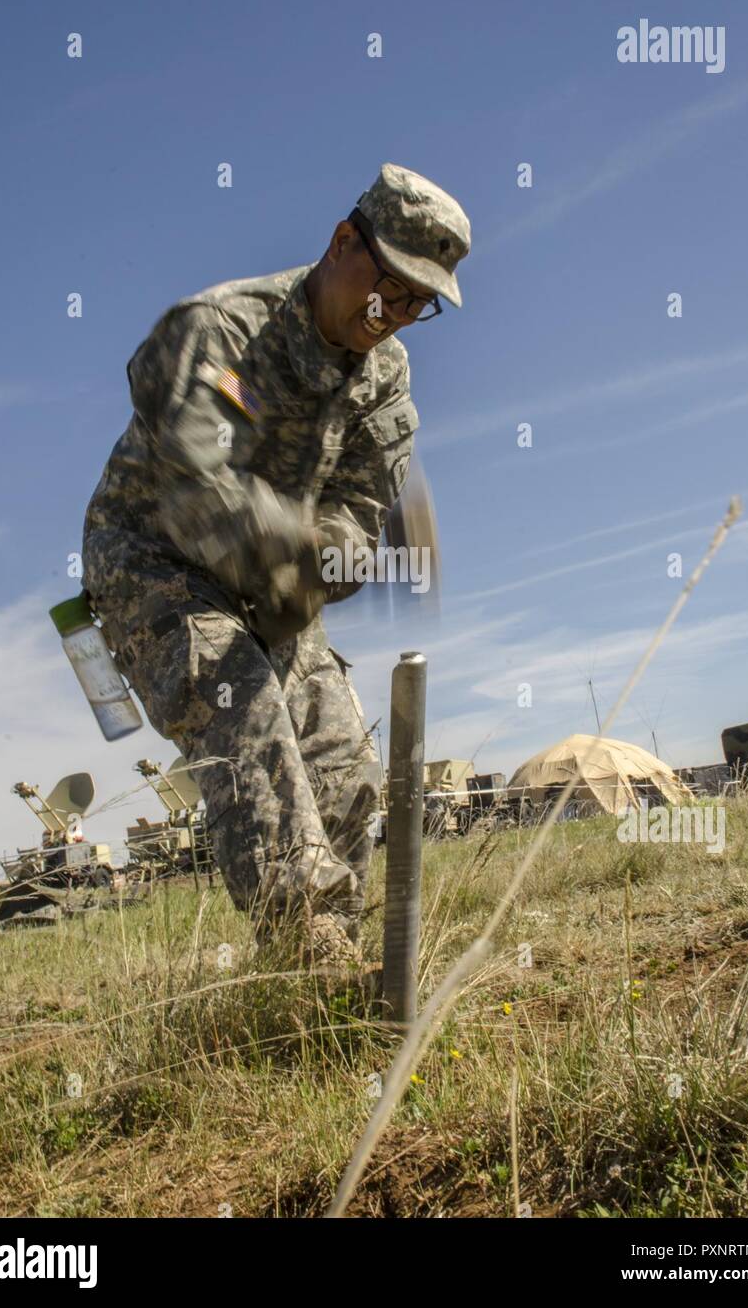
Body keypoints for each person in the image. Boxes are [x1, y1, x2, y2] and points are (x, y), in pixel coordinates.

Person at [82, 163, 471, 963]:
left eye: (414, 305)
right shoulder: (218, 332)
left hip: (278, 588)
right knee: (243, 703)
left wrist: (338, 555)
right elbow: (196, 484)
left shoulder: (386, 379)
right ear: (341, 243)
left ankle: (322, 969)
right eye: (388, 286)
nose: (390, 315)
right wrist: (302, 546)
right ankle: (311, 945)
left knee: (347, 774)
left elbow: (363, 508)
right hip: (154, 561)